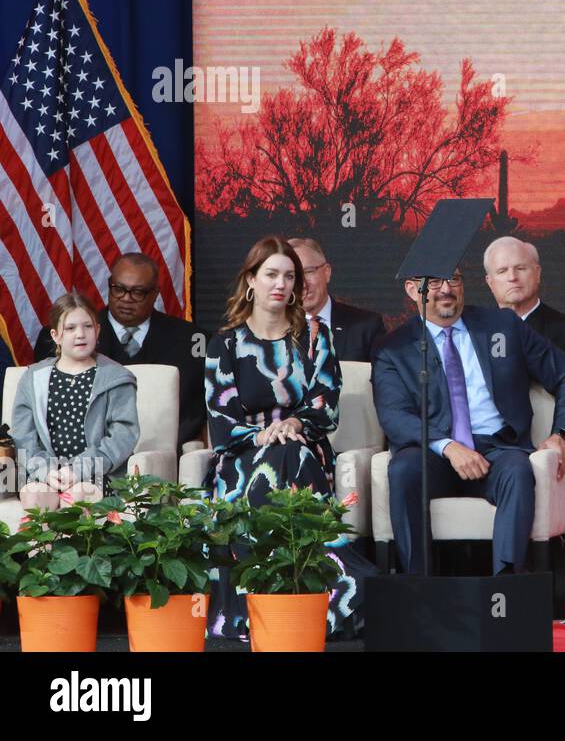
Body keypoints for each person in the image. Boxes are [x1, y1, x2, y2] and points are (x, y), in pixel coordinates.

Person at [203, 236, 371, 639]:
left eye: (289, 276)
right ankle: (289, 600)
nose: (281, 284)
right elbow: (221, 423)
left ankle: (262, 606)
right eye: (271, 274)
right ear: (251, 281)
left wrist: (293, 426)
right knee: (276, 457)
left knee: (291, 453)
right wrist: (262, 436)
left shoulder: (316, 336)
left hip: (305, 452)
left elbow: (326, 404)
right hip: (242, 457)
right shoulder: (224, 343)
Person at [372, 264, 565, 575]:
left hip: (499, 449)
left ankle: (506, 591)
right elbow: (394, 415)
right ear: (413, 291)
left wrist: (563, 434)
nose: (446, 289)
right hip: (434, 453)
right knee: (403, 470)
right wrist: (449, 446)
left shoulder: (502, 326)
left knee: (519, 472)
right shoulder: (394, 348)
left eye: (453, 279)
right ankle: (420, 592)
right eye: (434, 282)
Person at [34, 253, 207, 449]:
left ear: (155, 294)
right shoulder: (66, 337)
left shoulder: (192, 339)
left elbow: (194, 409)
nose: (126, 299)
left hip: (162, 453)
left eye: (138, 292)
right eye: (118, 289)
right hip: (87, 451)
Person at [11, 291, 139, 510]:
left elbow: (123, 434)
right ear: (56, 335)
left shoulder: (116, 377)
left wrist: (78, 470)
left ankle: (81, 545)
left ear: (97, 331)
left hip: (99, 472)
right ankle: (44, 546)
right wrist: (47, 472)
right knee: (35, 496)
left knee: (78, 495)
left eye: (88, 326)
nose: (81, 334)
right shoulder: (33, 378)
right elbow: (24, 436)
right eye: (70, 328)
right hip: (45, 471)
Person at [288, 237, 387, 362]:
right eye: (292, 276)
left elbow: (384, 378)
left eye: (308, 272)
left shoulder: (366, 327)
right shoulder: (272, 330)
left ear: (327, 272)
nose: (302, 284)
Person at [484, 236, 565, 355]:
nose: (512, 277)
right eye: (502, 271)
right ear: (490, 282)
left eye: (520, 268)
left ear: (537, 273)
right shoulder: (478, 332)